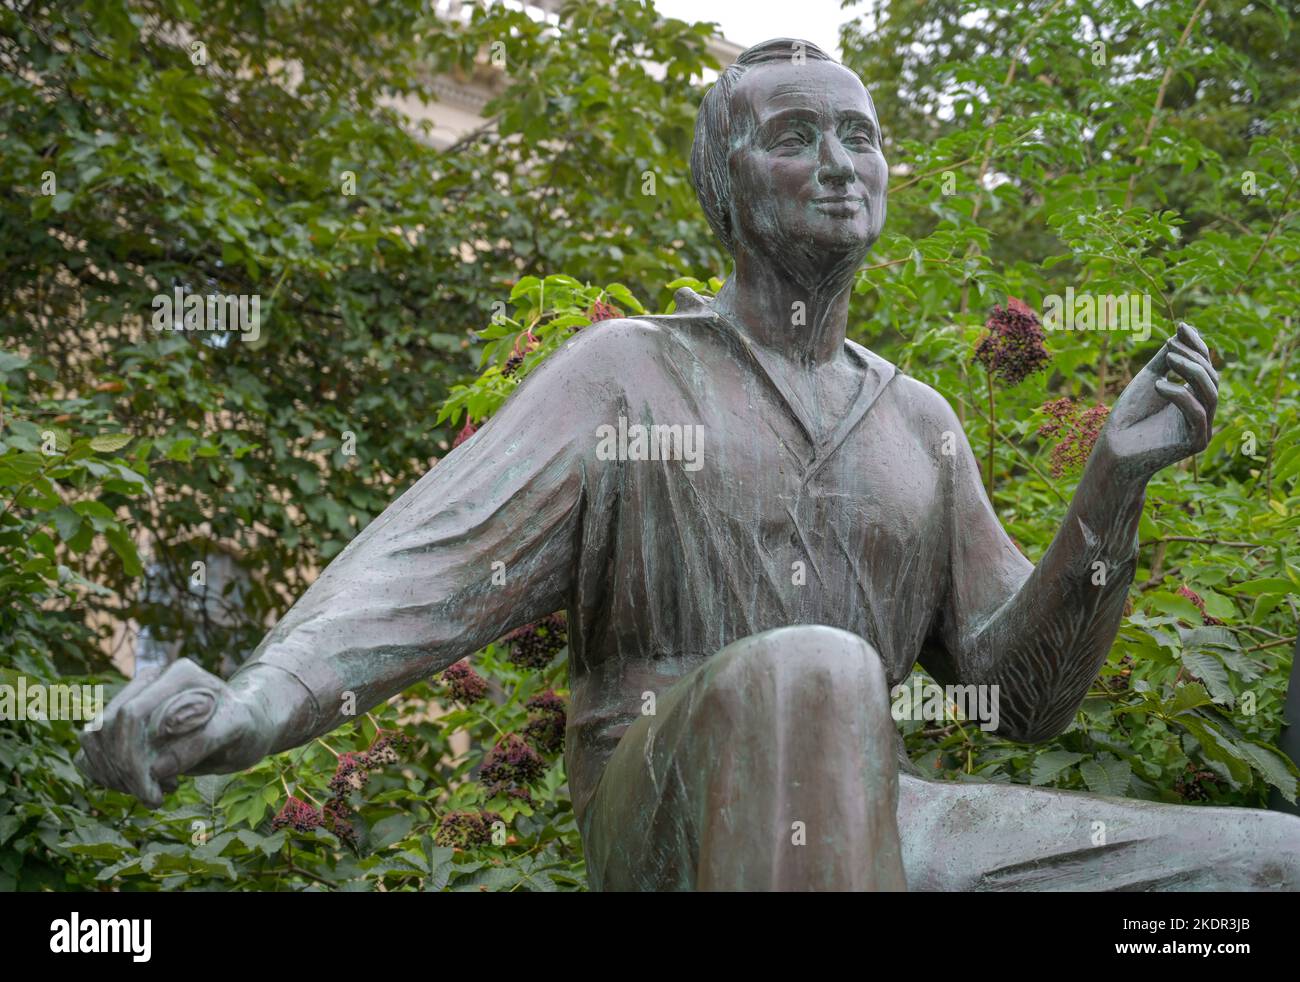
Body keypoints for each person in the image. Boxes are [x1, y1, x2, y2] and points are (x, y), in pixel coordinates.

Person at [77, 39, 1299, 891]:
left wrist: (1109, 491)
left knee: (1267, 866)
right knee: (812, 671)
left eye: (861, 138)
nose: (839, 162)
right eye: (795, 137)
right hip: (661, 796)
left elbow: (1020, 699)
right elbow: (424, 563)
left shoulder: (920, 417)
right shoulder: (624, 369)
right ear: (724, 181)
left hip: (878, 814)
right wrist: (253, 703)